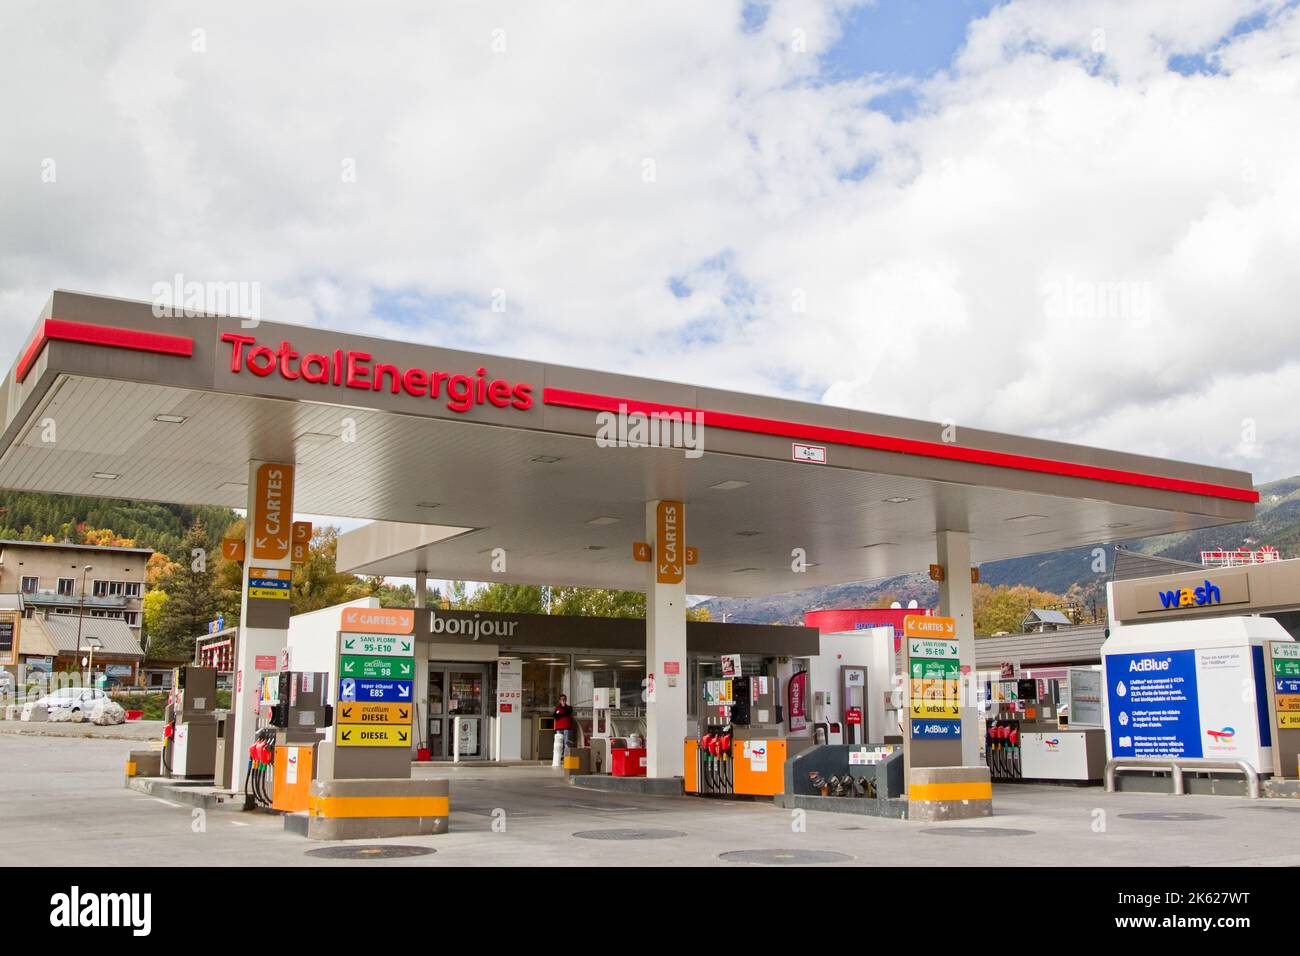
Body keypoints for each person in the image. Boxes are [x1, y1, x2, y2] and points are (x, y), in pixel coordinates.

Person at [553, 694, 575, 758]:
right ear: (559, 700)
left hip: (566, 727)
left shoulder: (569, 708)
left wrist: (563, 708)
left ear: (566, 700)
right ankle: (559, 756)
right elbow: (555, 716)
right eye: (562, 699)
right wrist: (562, 715)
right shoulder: (557, 708)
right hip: (559, 728)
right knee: (559, 743)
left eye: (564, 699)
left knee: (566, 742)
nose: (563, 700)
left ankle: (566, 756)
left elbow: (567, 713)